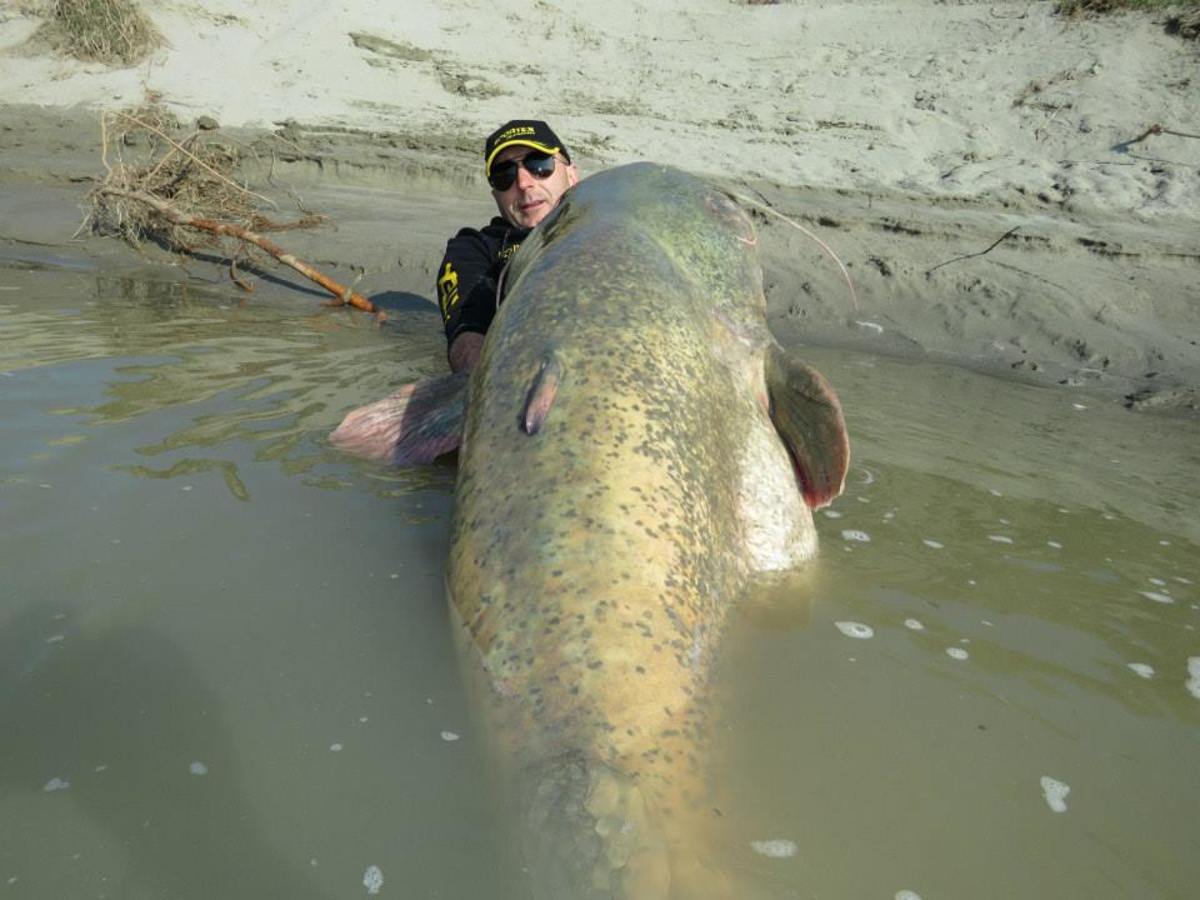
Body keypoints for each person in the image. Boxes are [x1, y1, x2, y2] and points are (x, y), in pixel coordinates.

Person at [435, 120, 580, 372]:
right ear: (496, 196)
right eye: (505, 175)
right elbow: (467, 334)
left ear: (571, 175)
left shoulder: (612, 231)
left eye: (539, 165)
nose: (523, 183)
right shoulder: (474, 249)